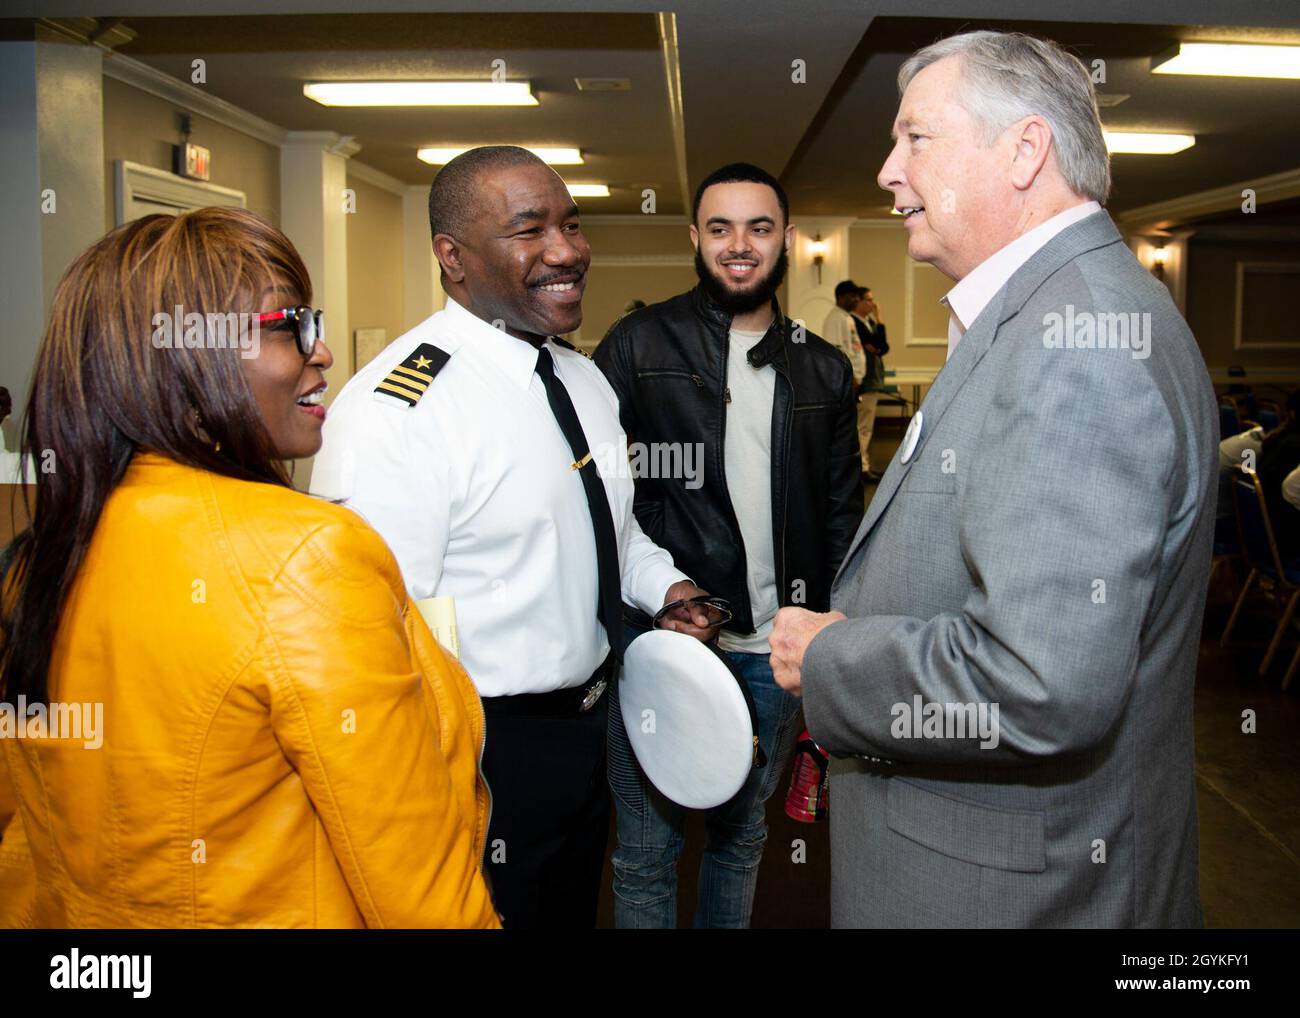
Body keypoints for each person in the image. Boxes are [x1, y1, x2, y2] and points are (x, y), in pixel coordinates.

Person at [771, 30, 1217, 928]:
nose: (888, 172)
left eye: (914, 139)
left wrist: (829, 657)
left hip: (1016, 890)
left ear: (1023, 150)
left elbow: (1038, 682)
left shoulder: (1074, 346)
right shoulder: (1049, 314)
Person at [0, 207, 498, 928]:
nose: (321, 352)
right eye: (290, 324)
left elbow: (26, 840)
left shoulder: (46, 553)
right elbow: (419, 894)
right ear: (186, 356)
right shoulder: (306, 557)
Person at [310, 146, 719, 929]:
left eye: (570, 224)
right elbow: (366, 639)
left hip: (593, 729)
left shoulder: (582, 379)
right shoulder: (398, 411)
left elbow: (615, 529)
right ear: (452, 258)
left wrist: (666, 586)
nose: (566, 250)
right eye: (529, 230)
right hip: (482, 753)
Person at [594, 162, 862, 928]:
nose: (739, 245)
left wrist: (830, 636)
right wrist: (661, 601)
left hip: (775, 651)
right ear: (695, 237)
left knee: (741, 842)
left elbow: (842, 515)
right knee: (645, 855)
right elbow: (603, 502)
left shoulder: (822, 365)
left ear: (785, 240)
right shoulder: (639, 345)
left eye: (759, 227)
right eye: (720, 228)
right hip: (666, 648)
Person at [850, 287, 890, 480]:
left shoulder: (870, 321)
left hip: (873, 376)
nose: (872, 304)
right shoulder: (853, 322)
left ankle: (863, 464)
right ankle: (861, 467)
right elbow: (871, 345)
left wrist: (879, 318)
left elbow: (883, 347)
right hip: (863, 379)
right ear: (857, 301)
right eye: (868, 300)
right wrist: (875, 346)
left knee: (866, 425)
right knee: (862, 425)